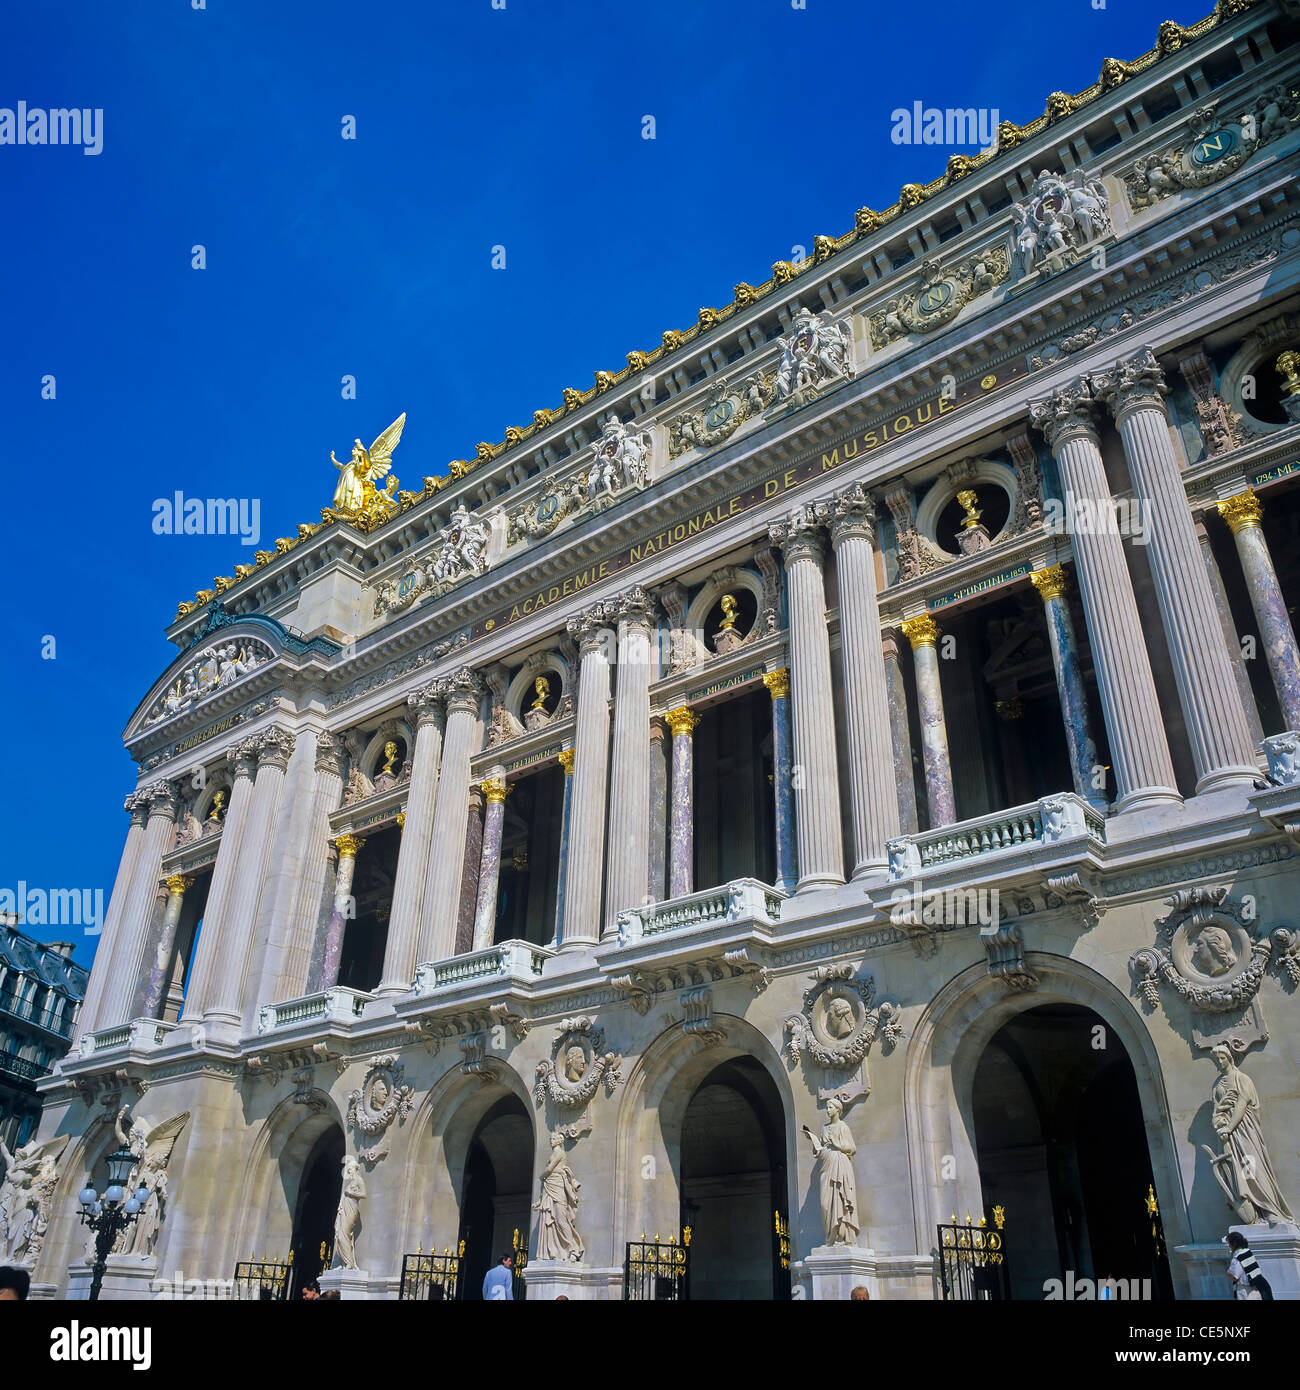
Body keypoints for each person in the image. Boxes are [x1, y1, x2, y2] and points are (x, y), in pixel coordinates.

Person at [1225, 1231, 1274, 1300]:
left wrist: (1227, 1271)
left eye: (1229, 1243)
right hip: (1256, 1288)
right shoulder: (1247, 1251)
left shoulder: (1237, 1257)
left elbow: (1234, 1276)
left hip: (1245, 1291)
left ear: (1234, 1244)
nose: (1229, 1245)